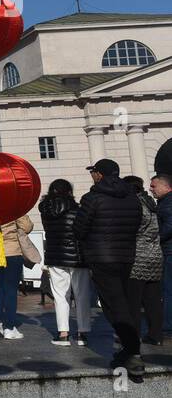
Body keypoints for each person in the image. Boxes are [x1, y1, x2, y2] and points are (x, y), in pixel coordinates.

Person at [73, 159, 143, 376]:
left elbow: (79, 228)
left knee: (114, 306)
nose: (92, 175)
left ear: (100, 175)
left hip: (101, 258)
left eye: (93, 171)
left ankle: (133, 351)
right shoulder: (132, 197)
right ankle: (129, 350)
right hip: (126, 256)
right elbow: (137, 223)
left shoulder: (92, 198)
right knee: (123, 301)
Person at [40, 179, 92, 346]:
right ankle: (82, 333)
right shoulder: (78, 209)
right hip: (77, 257)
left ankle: (63, 334)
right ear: (69, 191)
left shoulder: (46, 210)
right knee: (81, 295)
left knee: (60, 296)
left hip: (56, 256)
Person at [124, 176, 164, 346]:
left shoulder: (134, 205)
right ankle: (156, 335)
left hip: (137, 258)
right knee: (152, 300)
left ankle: (134, 335)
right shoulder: (152, 204)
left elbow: (132, 230)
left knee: (133, 300)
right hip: (155, 256)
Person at [0, 213, 33, 340]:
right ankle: (9, 327)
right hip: (11, 252)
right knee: (10, 289)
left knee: (1, 287)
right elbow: (27, 227)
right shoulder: (13, 205)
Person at [153, 174, 172, 347]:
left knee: (168, 291)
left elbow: (169, 227)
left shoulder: (167, 203)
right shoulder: (165, 202)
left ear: (167, 187)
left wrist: (154, 238)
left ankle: (167, 329)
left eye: (154, 186)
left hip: (169, 252)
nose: (151, 189)